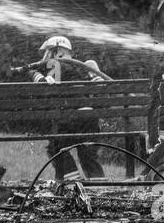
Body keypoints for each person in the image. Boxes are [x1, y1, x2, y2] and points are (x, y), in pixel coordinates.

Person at [12, 35, 108, 179]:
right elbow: (101, 86)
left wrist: (33, 73)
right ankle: (98, 182)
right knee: (87, 152)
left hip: (70, 120)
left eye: (49, 52)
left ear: (58, 52)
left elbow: (45, 86)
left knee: (56, 147)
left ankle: (71, 180)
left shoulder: (55, 65)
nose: (46, 57)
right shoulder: (83, 67)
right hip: (90, 120)